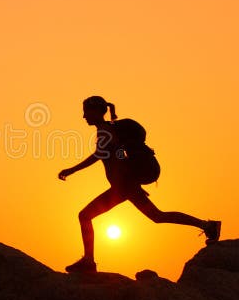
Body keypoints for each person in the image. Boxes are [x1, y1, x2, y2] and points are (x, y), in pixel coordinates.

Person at [58, 96, 221, 273]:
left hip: (122, 188)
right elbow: (117, 155)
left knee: (85, 216)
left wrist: (72, 170)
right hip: (125, 186)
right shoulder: (109, 131)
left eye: (86, 112)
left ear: (97, 112)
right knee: (158, 216)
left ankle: (89, 261)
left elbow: (102, 155)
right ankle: (207, 226)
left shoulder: (105, 131)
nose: (84, 116)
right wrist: (131, 179)